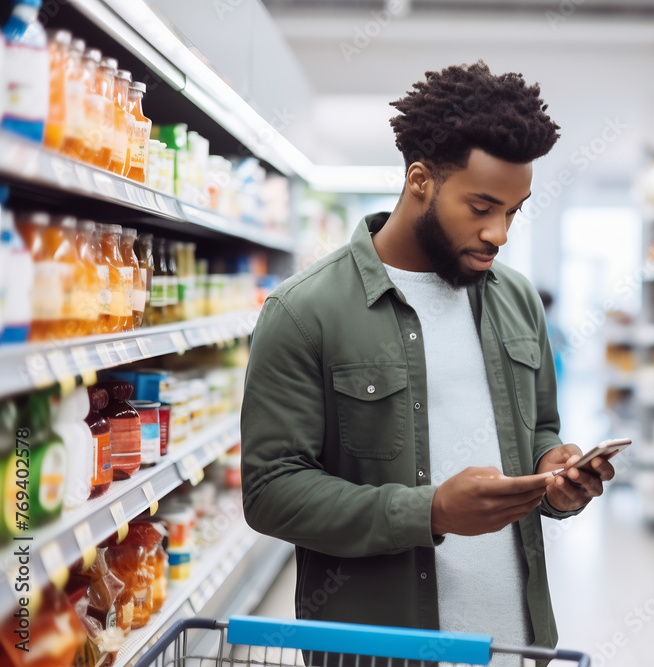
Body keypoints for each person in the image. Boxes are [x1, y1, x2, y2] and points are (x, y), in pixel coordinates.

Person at [240, 61, 616, 665]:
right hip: (378, 649)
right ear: (420, 180)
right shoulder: (303, 310)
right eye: (482, 206)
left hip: (514, 640)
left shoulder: (517, 298)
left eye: (514, 211)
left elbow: (540, 429)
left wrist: (556, 477)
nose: (499, 232)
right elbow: (270, 492)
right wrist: (430, 510)